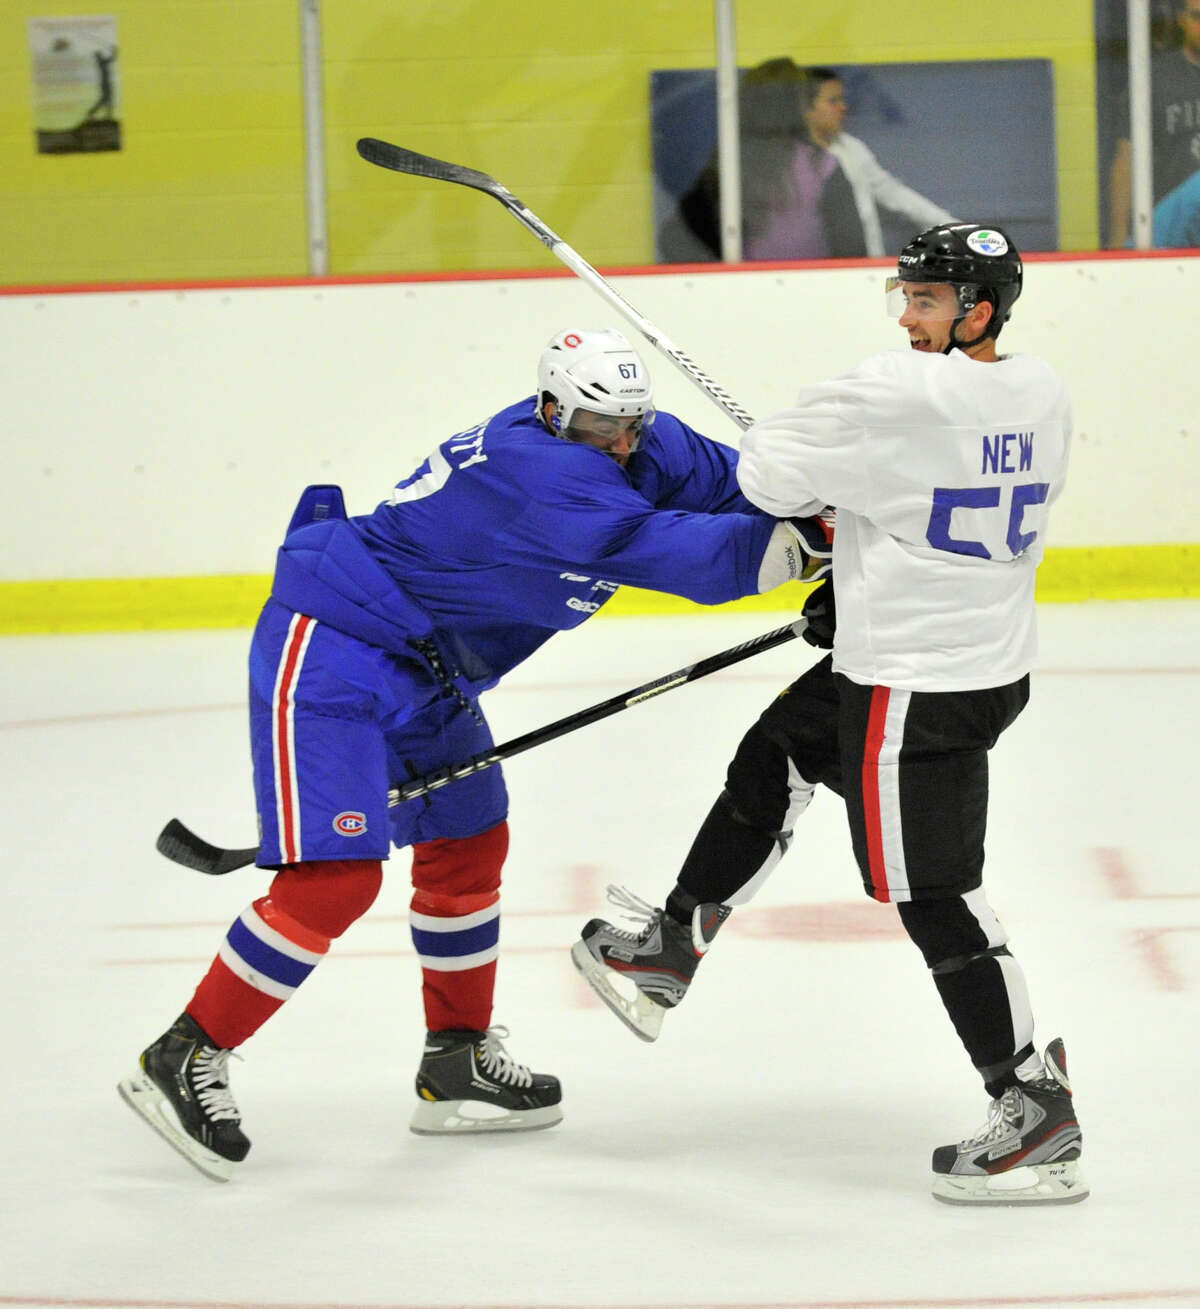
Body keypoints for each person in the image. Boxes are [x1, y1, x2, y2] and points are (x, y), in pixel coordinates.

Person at [117, 327, 832, 1181]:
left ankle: (455, 1062)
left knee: (468, 840)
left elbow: (732, 486)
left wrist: (805, 485)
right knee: (335, 879)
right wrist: (816, 541)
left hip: (426, 666)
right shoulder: (542, 474)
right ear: (553, 409)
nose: (628, 444)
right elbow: (693, 558)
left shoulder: (633, 435)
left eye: (636, 423)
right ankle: (185, 1053)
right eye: (609, 428)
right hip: (337, 647)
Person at [573, 226, 1090, 1207]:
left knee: (936, 895)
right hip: (977, 655)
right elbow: (919, 500)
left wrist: (806, 468)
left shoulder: (887, 392)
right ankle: (671, 945)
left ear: (978, 311)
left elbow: (768, 483)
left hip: (915, 685)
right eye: (906, 295)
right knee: (776, 752)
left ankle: (1031, 1108)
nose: (907, 314)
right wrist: (863, 575)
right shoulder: (1041, 389)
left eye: (930, 302)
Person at [672, 61, 955, 262]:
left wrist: (955, 229)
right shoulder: (744, 161)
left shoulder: (850, 151)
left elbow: (897, 196)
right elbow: (688, 228)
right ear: (803, 107)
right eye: (832, 101)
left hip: (851, 275)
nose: (843, 108)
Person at [676, 60, 867, 261]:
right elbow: (852, 246)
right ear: (798, 105)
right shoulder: (821, 165)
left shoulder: (729, 163)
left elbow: (680, 236)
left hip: (743, 286)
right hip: (810, 286)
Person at [1107, 0, 1200, 247]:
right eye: (1197, 16)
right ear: (1181, 19)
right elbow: (1126, 158)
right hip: (1167, 225)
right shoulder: (1153, 78)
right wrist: (1118, 235)